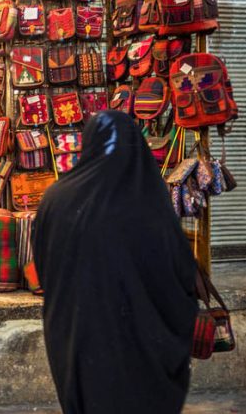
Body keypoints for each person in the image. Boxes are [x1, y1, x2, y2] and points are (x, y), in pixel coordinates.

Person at [32, 111, 198, 414]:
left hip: (76, 334)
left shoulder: (57, 198)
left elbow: (44, 265)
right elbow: (179, 272)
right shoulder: (150, 202)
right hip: (144, 344)